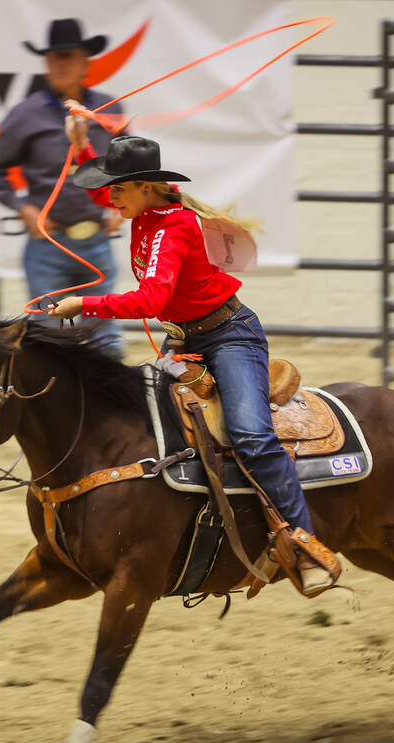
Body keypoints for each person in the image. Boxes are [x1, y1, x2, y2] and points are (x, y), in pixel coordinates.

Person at [48, 122, 340, 596]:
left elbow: (150, 300)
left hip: (229, 338)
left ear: (145, 188)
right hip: (187, 341)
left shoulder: (174, 225)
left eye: (117, 188)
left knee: (251, 434)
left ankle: (305, 541)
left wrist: (85, 304)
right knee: (148, 429)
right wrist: (82, 146)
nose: (110, 198)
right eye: (111, 189)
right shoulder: (144, 210)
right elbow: (107, 200)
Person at [0, 17, 125, 357]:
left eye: (67, 56)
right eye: (53, 58)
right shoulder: (25, 115)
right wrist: (22, 208)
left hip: (97, 242)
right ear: (46, 64)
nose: (59, 64)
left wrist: (120, 204)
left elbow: (126, 165)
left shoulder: (109, 109)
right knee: (47, 340)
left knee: (107, 342)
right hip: (48, 243)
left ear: (84, 62)